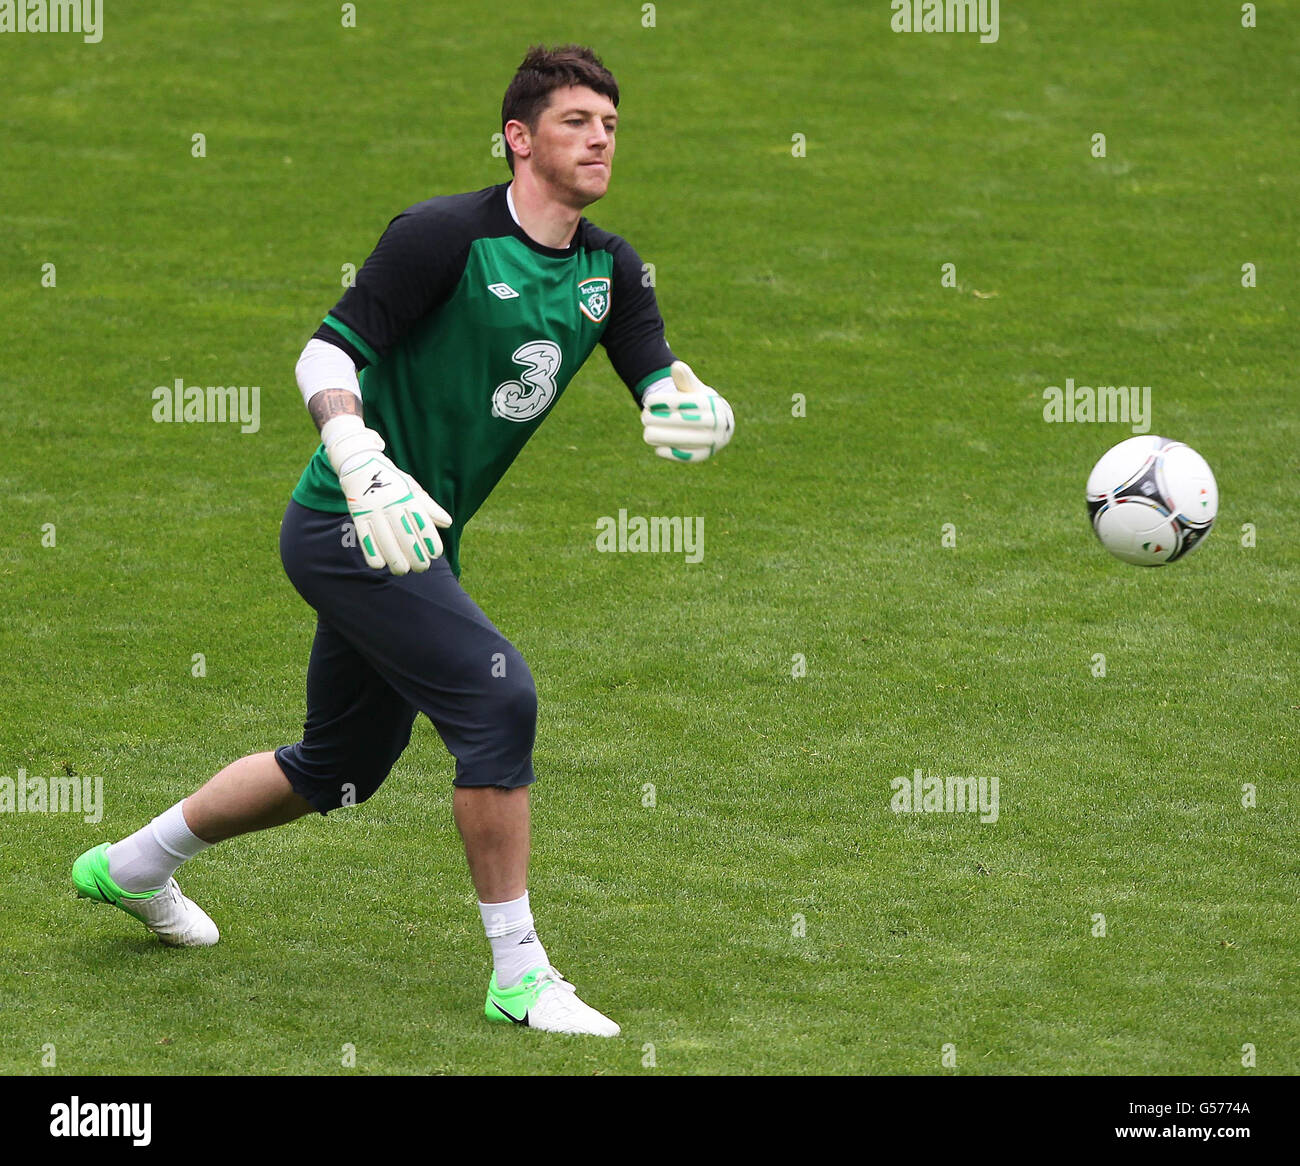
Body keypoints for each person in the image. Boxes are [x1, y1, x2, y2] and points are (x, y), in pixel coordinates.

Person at [71, 43, 734, 1038]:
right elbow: (325, 349)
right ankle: (519, 973)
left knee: (337, 765)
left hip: (420, 535)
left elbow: (657, 377)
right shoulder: (441, 237)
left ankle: (130, 864)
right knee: (499, 693)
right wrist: (359, 457)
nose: (598, 138)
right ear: (518, 138)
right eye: (574, 122)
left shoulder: (610, 268)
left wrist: (693, 410)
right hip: (348, 521)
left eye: (609, 125)